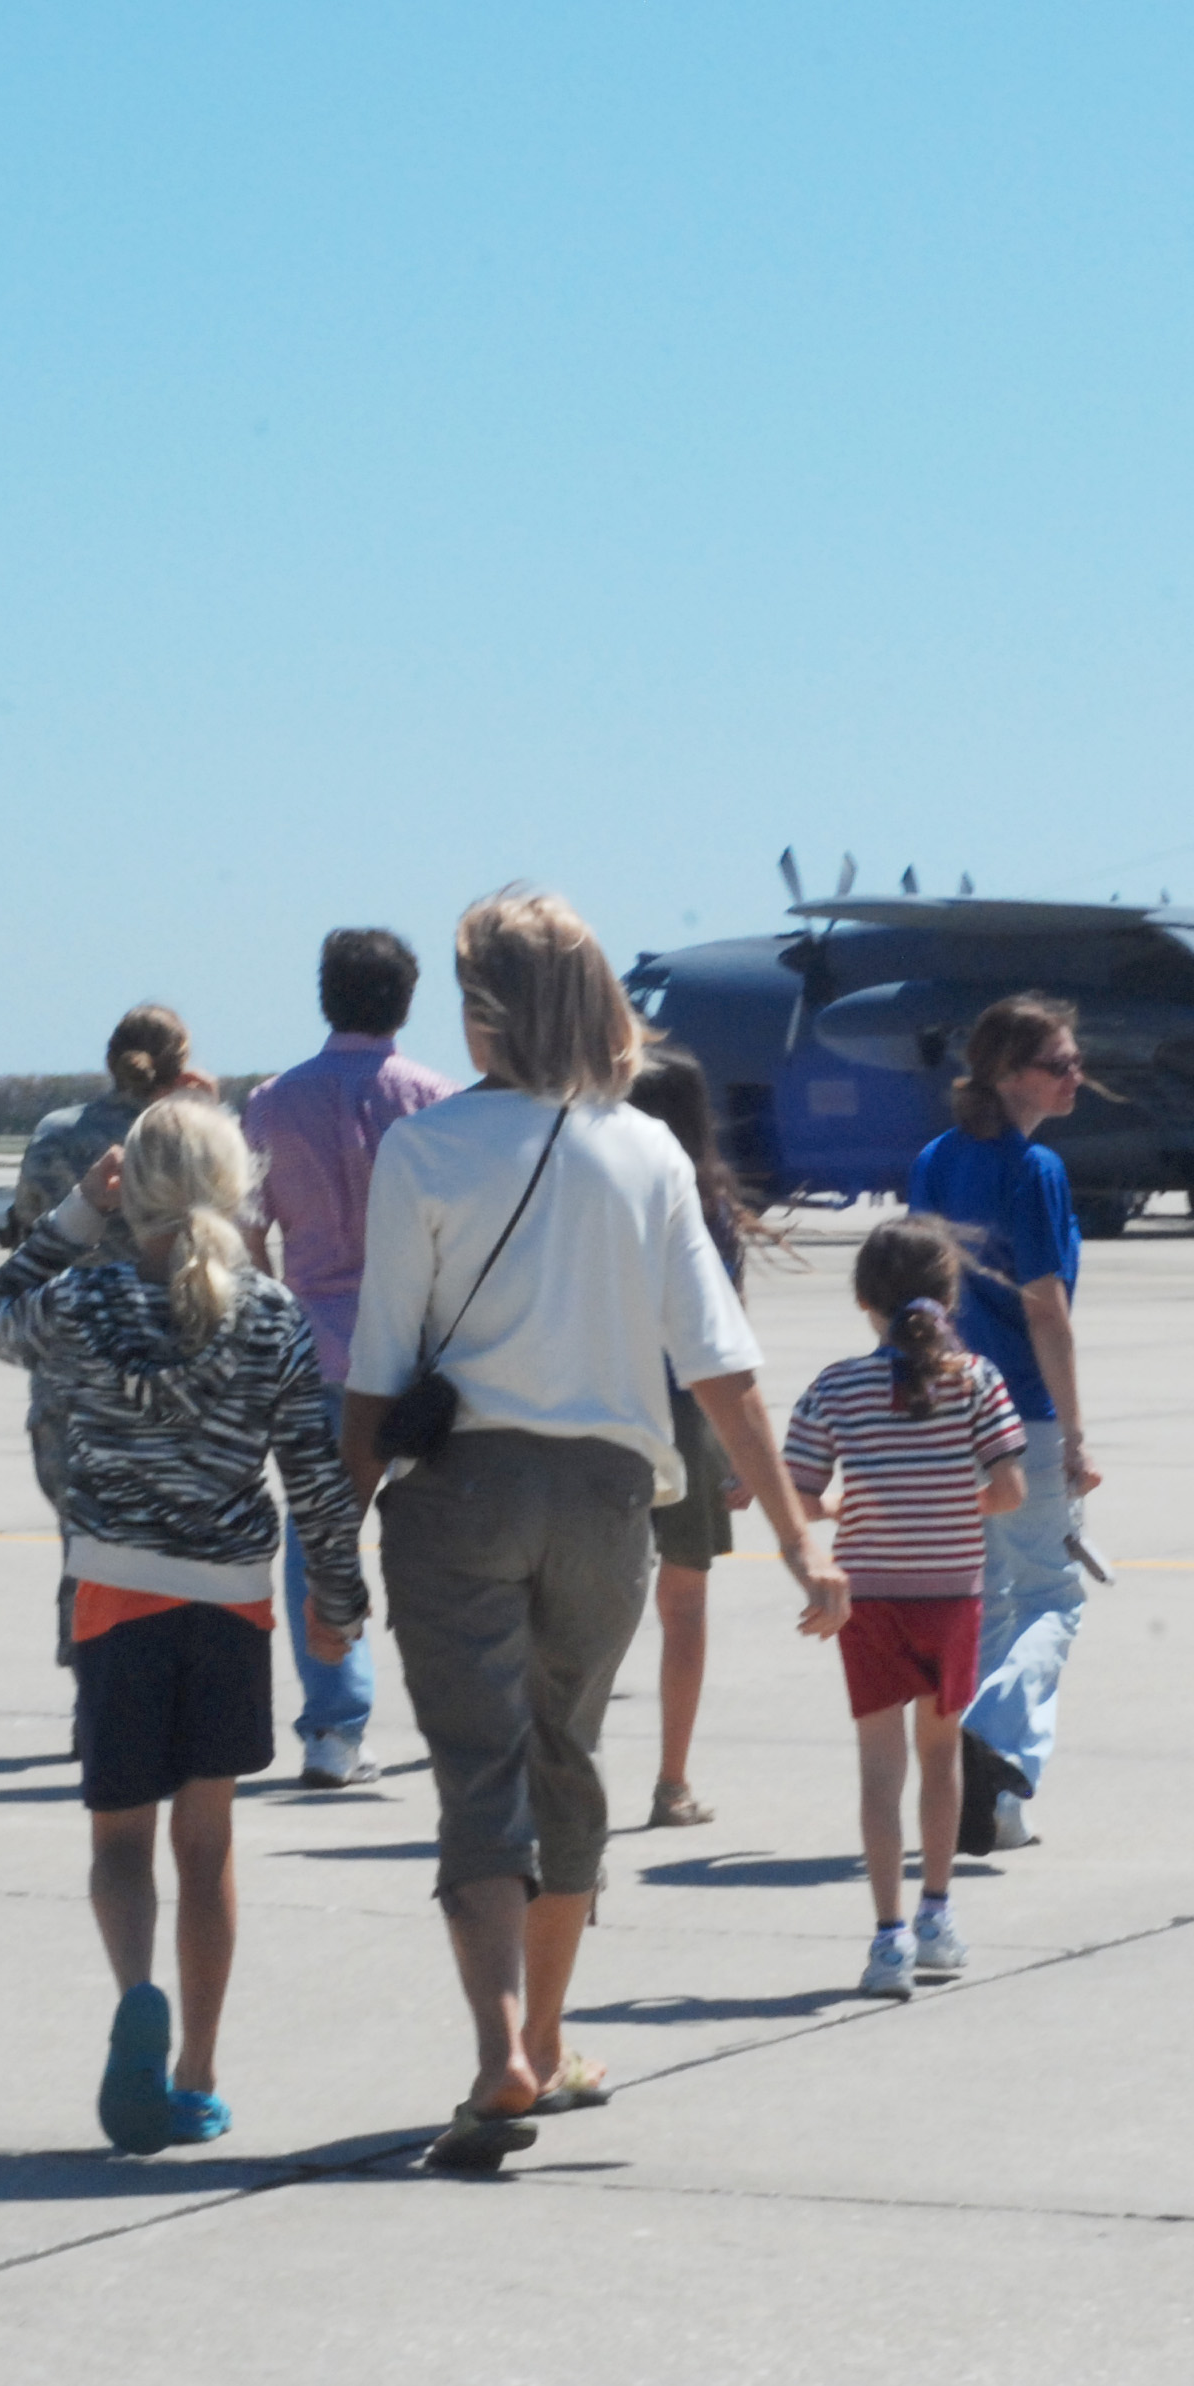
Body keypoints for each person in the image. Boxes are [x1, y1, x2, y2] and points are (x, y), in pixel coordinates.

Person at [340, 889, 849, 2171]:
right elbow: (721, 1371)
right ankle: (553, 2040)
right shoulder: (648, 1152)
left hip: (460, 1492)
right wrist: (797, 1539)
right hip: (611, 1504)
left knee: (477, 1772)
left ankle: (500, 2047)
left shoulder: (427, 1151)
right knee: (566, 1756)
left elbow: (377, 1374)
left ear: (481, 1010)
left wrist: (326, 1548)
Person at [0, 1092, 361, 2153]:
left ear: (126, 1189)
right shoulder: (270, 1313)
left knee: (119, 1840)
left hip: (113, 1594)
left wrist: (73, 1223)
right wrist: (339, 1598)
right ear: (239, 1187)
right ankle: (196, 2068)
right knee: (207, 1841)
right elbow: (313, 1475)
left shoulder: (80, 1299)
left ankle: (134, 1991)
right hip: (227, 1602)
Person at [781, 1218, 1027, 1999]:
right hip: (951, 1595)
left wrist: (855, 1508)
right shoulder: (978, 1380)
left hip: (871, 1598)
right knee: (940, 1760)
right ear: (952, 1295)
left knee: (878, 1771)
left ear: (863, 1301)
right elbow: (1010, 1490)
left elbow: (803, 1494)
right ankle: (936, 1917)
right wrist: (956, 1504)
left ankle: (885, 1940)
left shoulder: (835, 1386)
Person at [241, 931, 456, 1789]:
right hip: (419, 1355)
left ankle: (334, 1728)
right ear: (405, 1002)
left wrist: (278, 1309)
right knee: (442, 1539)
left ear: (326, 997)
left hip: (316, 1346)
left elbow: (246, 1228)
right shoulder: (435, 1099)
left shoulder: (270, 1102)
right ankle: (452, 1707)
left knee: (318, 1536)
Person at [906, 993, 1102, 1854]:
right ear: (1008, 1072)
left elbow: (917, 1292)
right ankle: (994, 1733)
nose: (1075, 1078)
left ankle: (990, 1806)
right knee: (1055, 1595)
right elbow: (1047, 1310)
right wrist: (1078, 1434)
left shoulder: (935, 1159)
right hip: (1021, 1407)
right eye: (1058, 1064)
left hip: (950, 1406)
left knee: (984, 1601)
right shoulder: (1036, 1171)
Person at [11, 1006, 215, 1724]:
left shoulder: (57, 1136)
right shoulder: (188, 1139)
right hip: (166, 1363)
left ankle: (93, 1691)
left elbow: (26, 1232)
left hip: (72, 1363)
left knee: (85, 1534)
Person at [622, 1045, 749, 1828]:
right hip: (690, 1410)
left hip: (607, 1410)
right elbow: (729, 1336)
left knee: (582, 1601)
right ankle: (672, 1780)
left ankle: (564, 1765)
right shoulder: (714, 1206)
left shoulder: (608, 1195)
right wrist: (738, 1446)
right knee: (686, 1601)